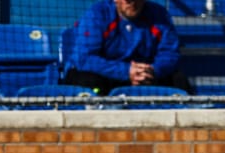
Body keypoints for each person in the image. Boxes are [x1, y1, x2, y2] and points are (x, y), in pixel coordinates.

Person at [65, 0, 193, 94]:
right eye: (128, 0)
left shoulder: (159, 15)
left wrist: (153, 70)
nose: (132, 4)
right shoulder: (97, 14)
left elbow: (170, 53)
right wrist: (125, 71)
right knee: (86, 81)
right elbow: (84, 58)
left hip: (144, 76)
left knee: (179, 81)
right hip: (107, 75)